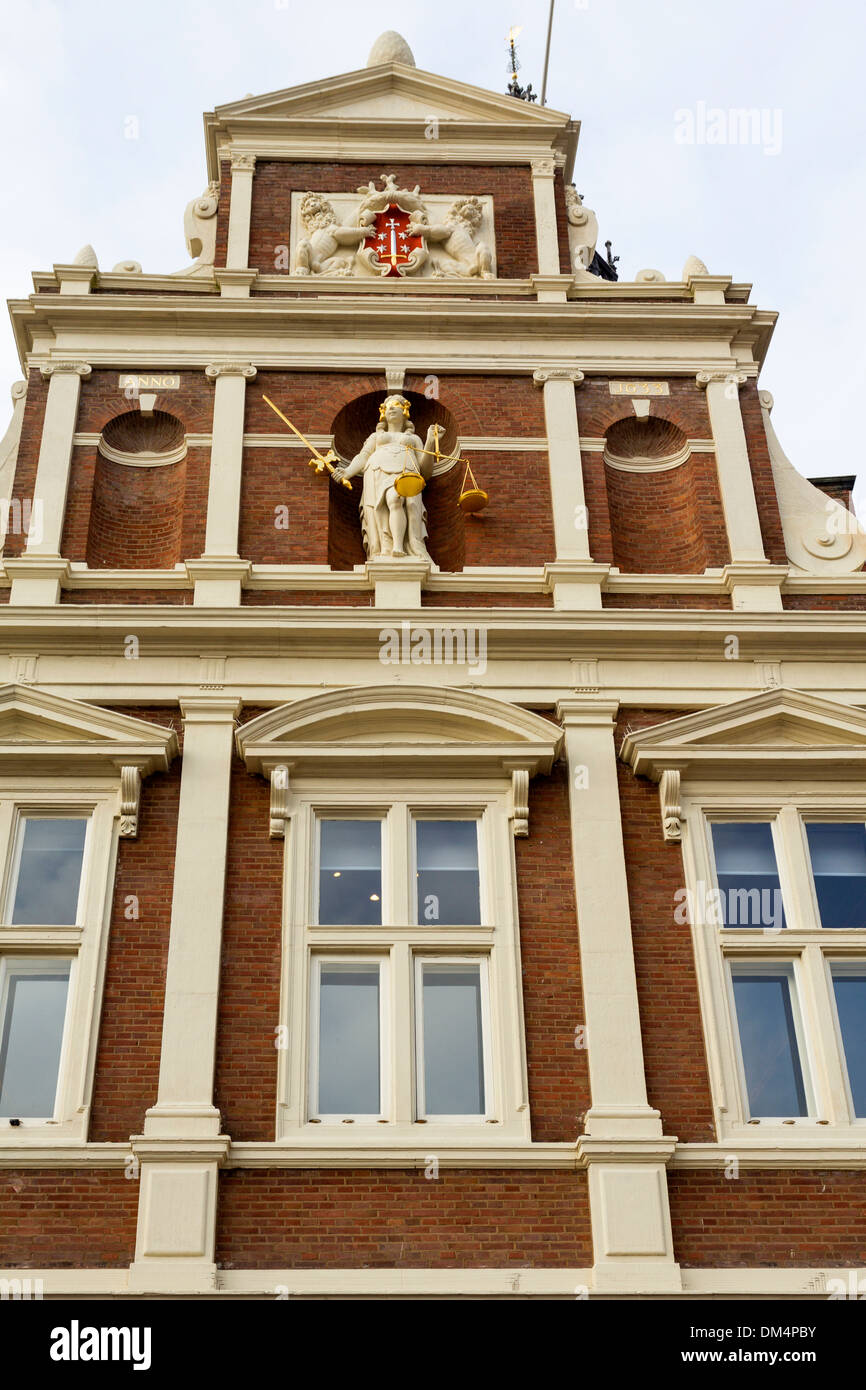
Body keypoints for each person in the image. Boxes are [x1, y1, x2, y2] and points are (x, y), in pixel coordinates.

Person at [331, 395, 439, 562]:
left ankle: (401, 546)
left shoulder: (414, 439)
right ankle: (389, 547)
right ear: (383, 413)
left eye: (396, 404)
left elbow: (425, 471)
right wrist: (348, 472)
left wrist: (431, 441)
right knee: (386, 504)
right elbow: (363, 456)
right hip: (378, 472)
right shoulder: (376, 437)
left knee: (403, 503)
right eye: (387, 406)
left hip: (407, 473)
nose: (391, 408)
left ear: (405, 411)